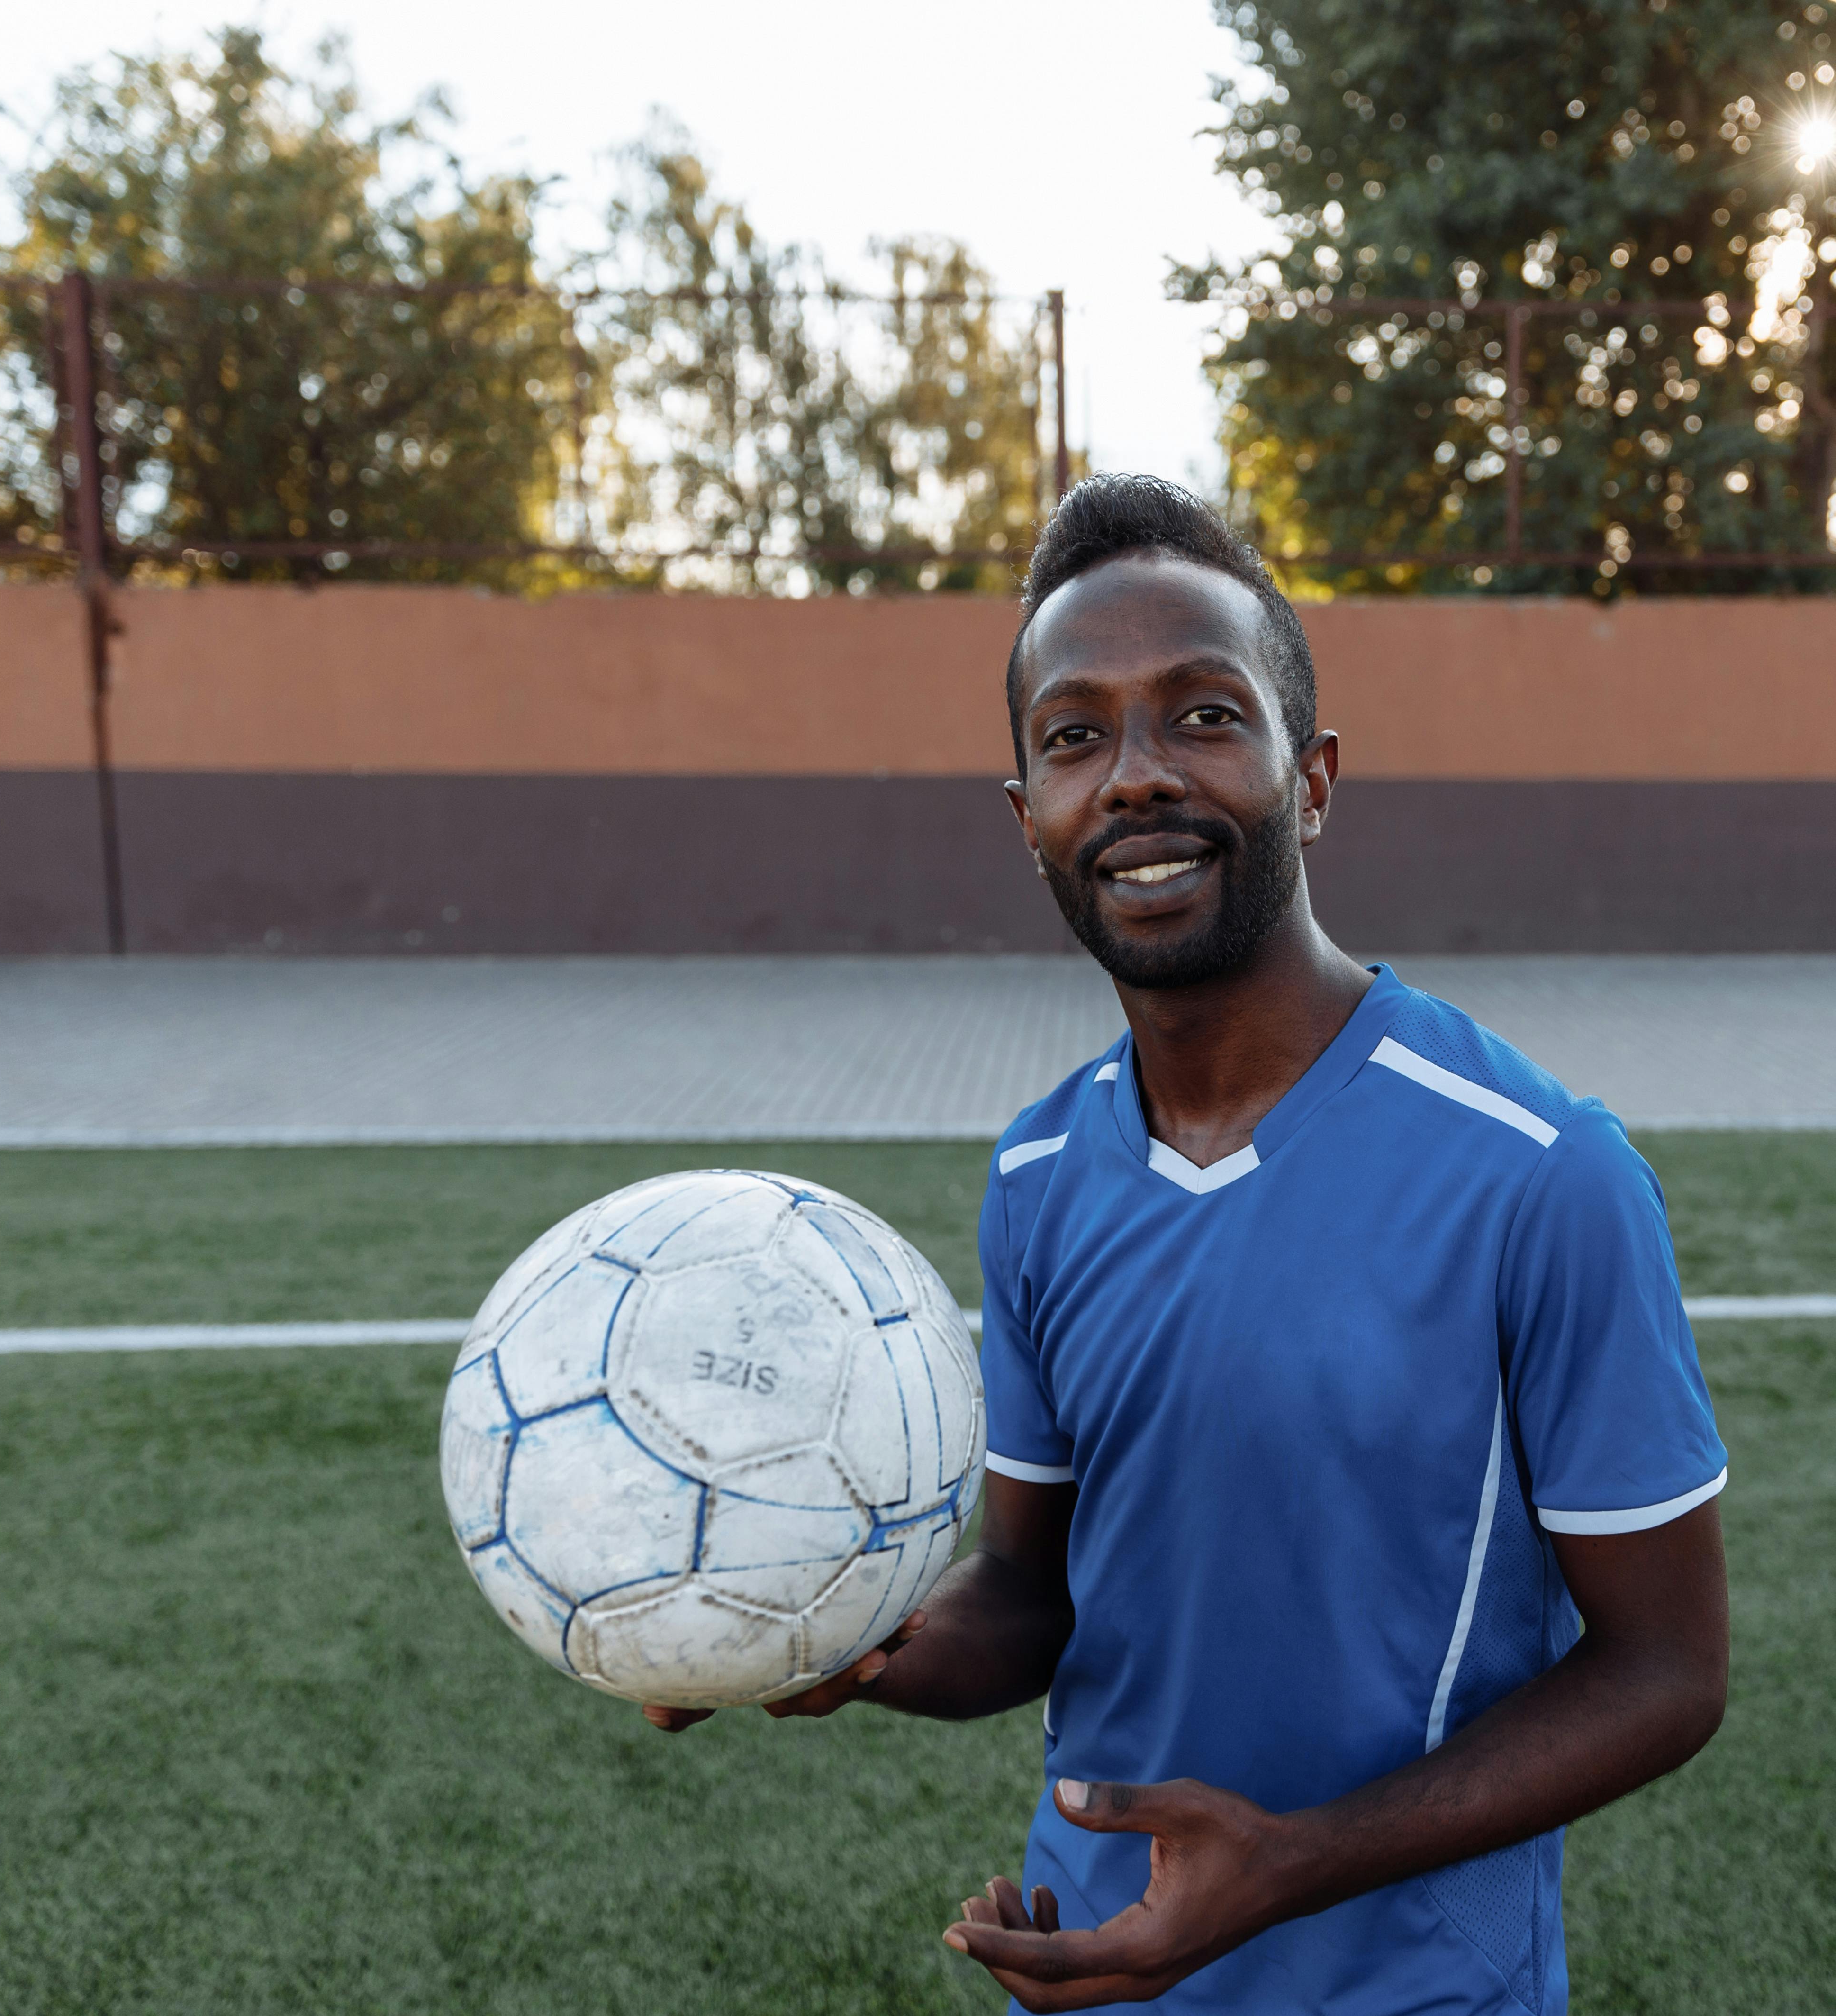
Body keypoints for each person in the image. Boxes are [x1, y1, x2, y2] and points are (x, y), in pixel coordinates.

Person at [643, 474, 1729, 2014]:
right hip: (1098, 1964)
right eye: (1075, 737)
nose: (1138, 776)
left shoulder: (1542, 1172)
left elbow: (1666, 1674)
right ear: (1029, 821)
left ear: (1313, 777)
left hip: (1410, 1990)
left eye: (1206, 717)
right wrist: (829, 1641)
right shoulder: (1038, 1171)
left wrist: (1291, 1864)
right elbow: (1032, 1595)